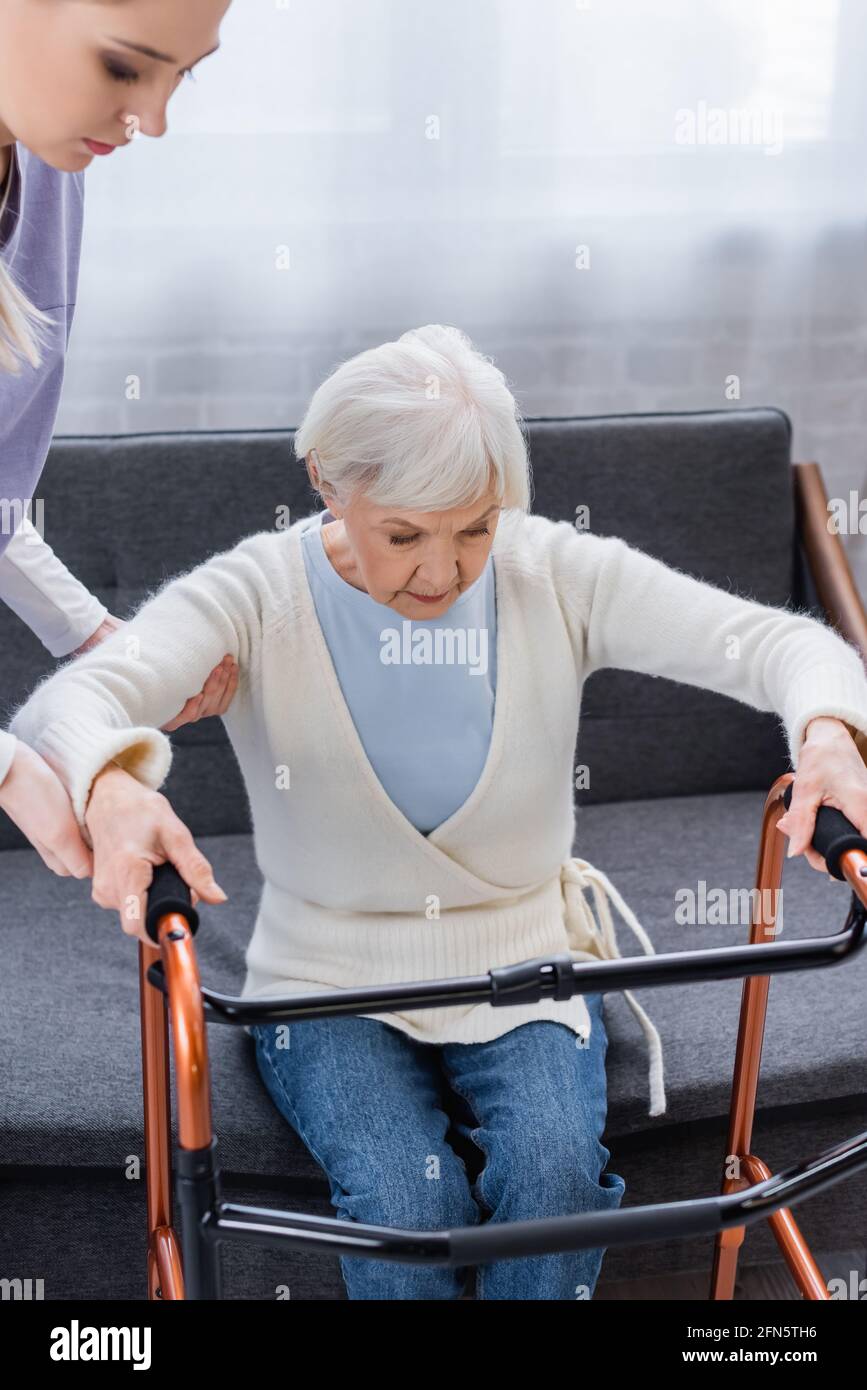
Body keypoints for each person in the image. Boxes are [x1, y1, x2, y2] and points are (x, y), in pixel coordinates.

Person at [9, 323, 867, 1299]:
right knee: (403, 1211)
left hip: (522, 952)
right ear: (330, 484)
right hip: (325, 976)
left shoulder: (554, 571)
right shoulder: (255, 590)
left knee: (553, 1181)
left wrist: (831, 734)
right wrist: (112, 782)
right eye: (405, 534)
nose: (443, 572)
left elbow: (783, 646)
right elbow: (67, 705)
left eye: (474, 528)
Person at [0, 0, 238, 891]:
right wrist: (17, 768)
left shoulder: (48, 164)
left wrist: (98, 637)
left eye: (185, 73)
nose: (155, 120)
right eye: (124, 68)